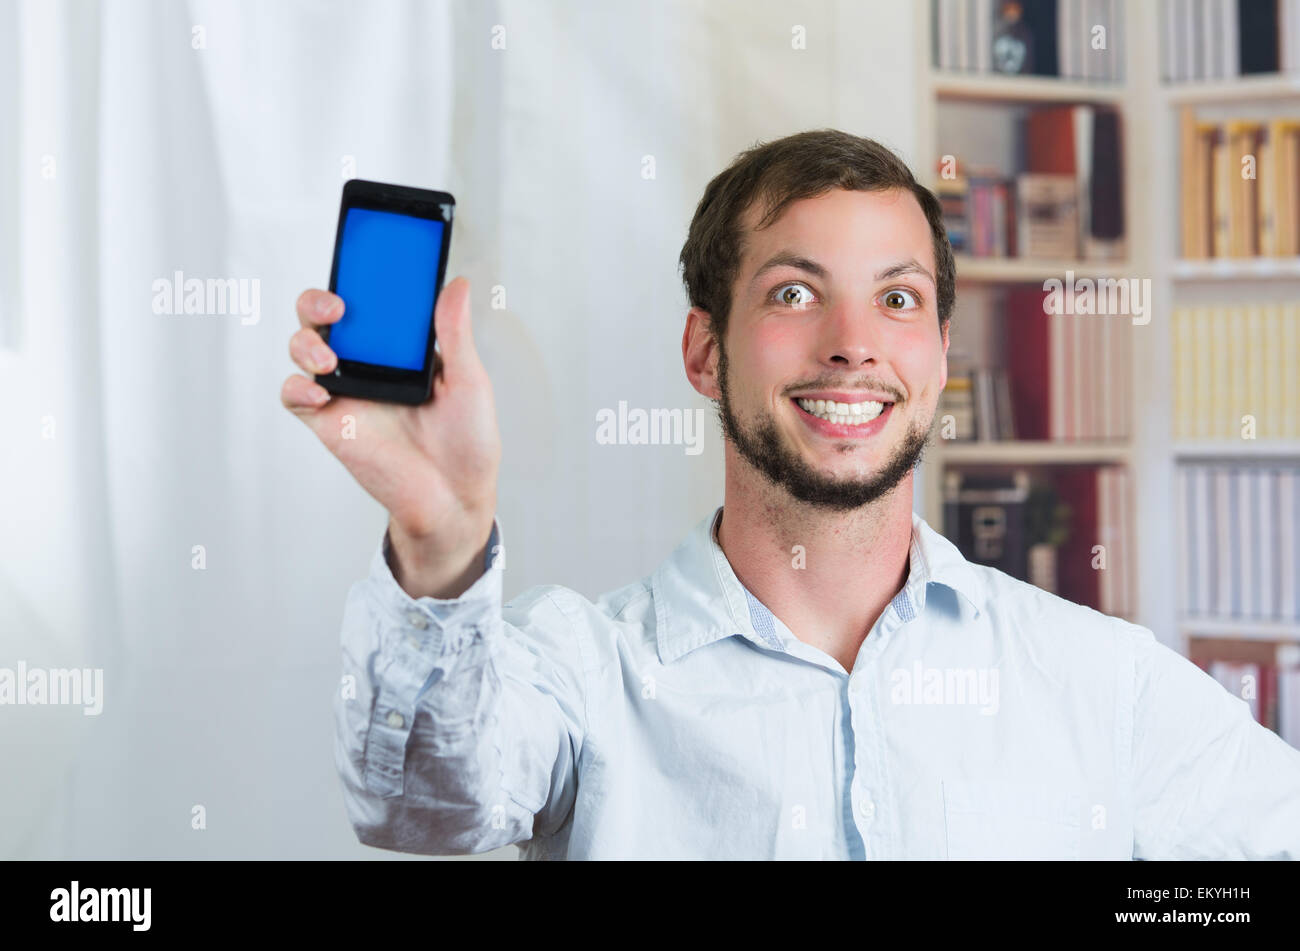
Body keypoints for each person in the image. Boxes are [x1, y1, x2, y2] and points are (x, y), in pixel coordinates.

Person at [281, 129, 1300, 859]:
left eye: (896, 299)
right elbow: (421, 809)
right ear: (704, 350)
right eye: (794, 293)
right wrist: (439, 536)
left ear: (938, 353)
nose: (852, 343)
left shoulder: (1099, 680)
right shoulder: (580, 674)